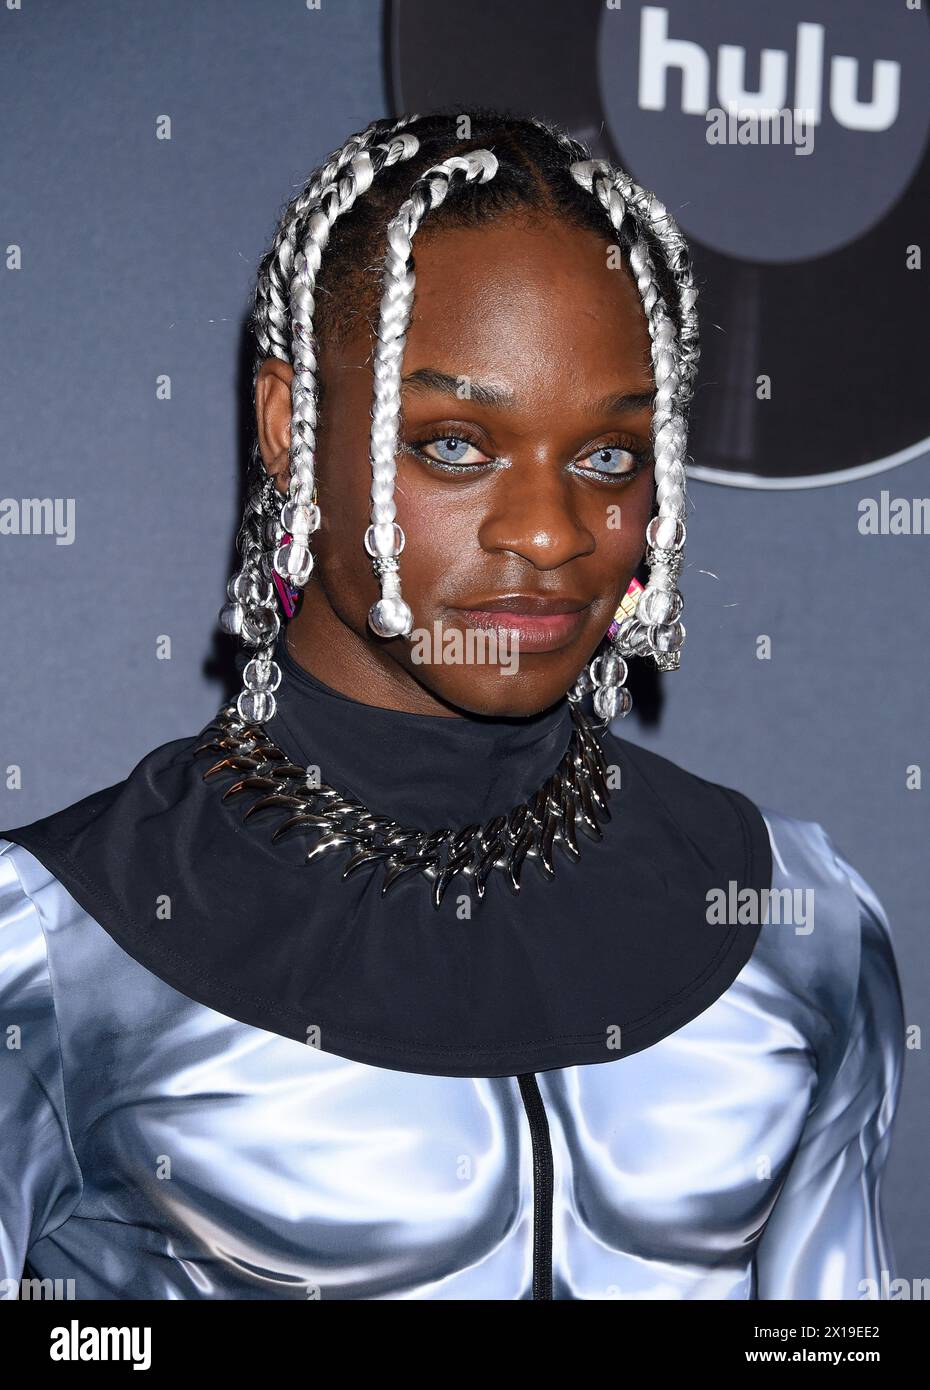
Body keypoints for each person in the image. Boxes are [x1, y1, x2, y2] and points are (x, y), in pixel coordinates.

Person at [0, 108, 905, 1301]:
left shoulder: (802, 923)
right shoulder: (51, 956)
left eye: (607, 456)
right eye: (457, 443)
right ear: (290, 426)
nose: (550, 530)